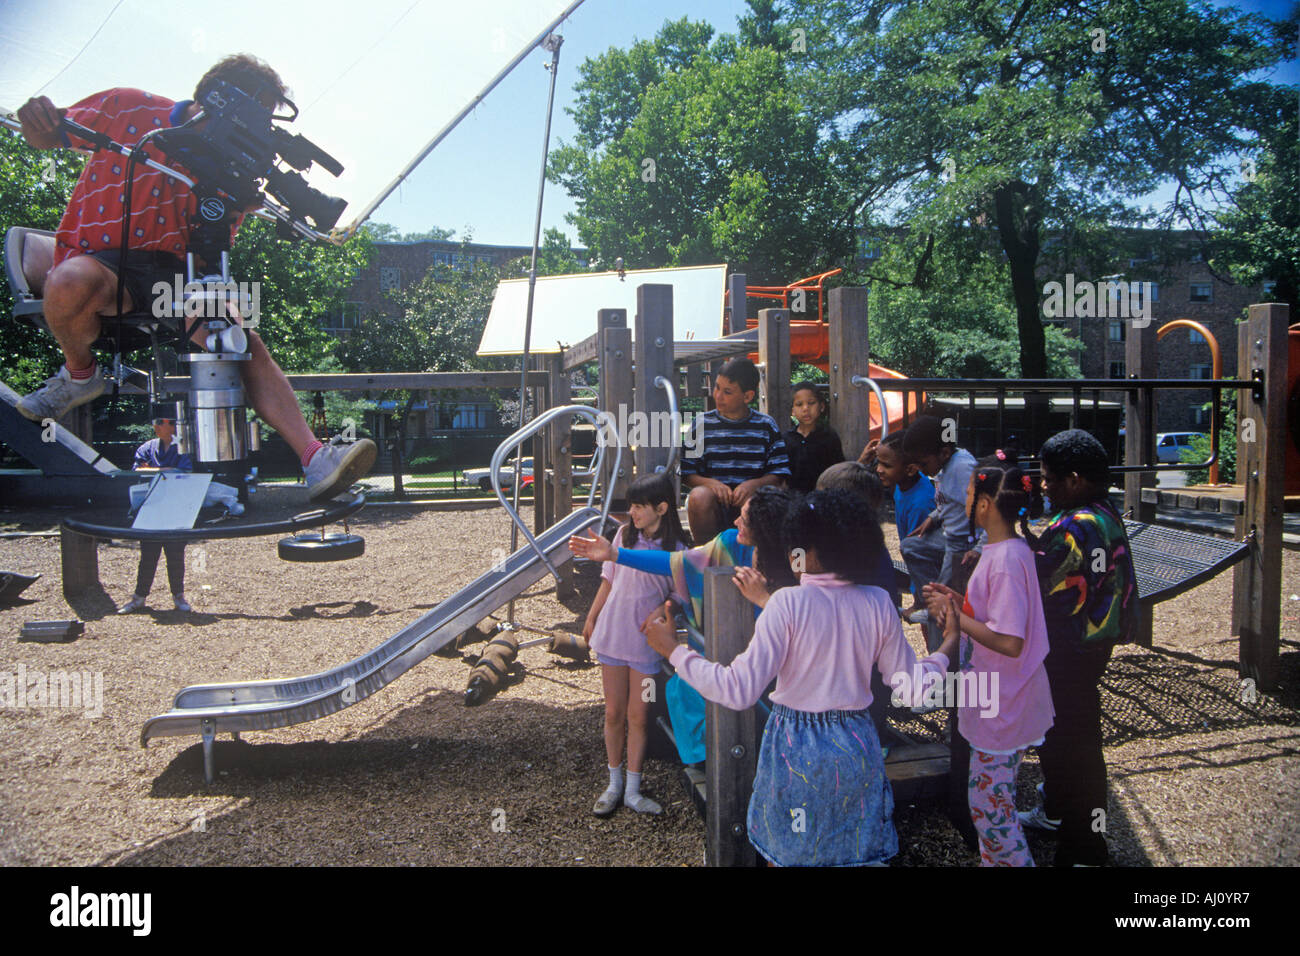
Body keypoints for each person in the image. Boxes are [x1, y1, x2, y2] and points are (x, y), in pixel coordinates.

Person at [12, 54, 375, 501]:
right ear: (216, 99)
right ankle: (79, 374)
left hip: (176, 276)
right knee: (69, 280)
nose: (258, 131)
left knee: (239, 338)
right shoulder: (129, 108)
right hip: (103, 263)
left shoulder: (238, 167)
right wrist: (37, 118)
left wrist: (247, 204)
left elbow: (214, 245)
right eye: (254, 116)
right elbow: (44, 135)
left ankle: (315, 458)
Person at [641, 490, 960, 866]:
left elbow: (736, 689)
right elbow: (910, 687)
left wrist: (674, 651)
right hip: (857, 748)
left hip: (795, 750)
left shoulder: (786, 604)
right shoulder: (877, 603)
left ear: (810, 553)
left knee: (794, 850)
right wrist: (949, 643)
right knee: (852, 850)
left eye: (795, 547)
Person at [571, 487, 796, 766]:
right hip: (734, 655)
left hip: (778, 667)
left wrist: (764, 599)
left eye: (745, 519)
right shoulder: (729, 543)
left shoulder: (796, 566)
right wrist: (616, 554)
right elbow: (677, 563)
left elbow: (799, 616)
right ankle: (708, 759)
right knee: (684, 690)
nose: (735, 521)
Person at [921, 452, 1054, 866]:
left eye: (968, 493)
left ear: (983, 504)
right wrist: (957, 603)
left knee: (991, 808)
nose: (963, 500)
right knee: (992, 801)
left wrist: (956, 617)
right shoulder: (1006, 551)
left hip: (1005, 698)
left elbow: (1011, 640)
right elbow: (998, 620)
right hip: (1000, 693)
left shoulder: (1007, 560)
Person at [1017, 429, 1136, 867]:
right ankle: (1055, 813)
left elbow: (1047, 589)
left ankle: (1085, 848)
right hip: (1091, 648)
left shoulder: (1076, 526)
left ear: (1073, 479)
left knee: (1074, 745)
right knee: (1060, 735)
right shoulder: (1102, 512)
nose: (1043, 486)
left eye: (1049, 479)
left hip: (1069, 652)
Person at [582, 474, 691, 817]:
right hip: (613, 637)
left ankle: (632, 787)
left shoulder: (678, 550)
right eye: (630, 505)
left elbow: (679, 597)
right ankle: (613, 784)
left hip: (645, 645)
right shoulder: (624, 535)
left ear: (661, 508)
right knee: (613, 712)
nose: (631, 512)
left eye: (638, 506)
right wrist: (591, 615)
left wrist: (663, 608)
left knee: (639, 716)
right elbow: (607, 581)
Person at [679, 358, 789, 542]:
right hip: (712, 505)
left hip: (752, 506)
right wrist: (711, 484)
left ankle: (755, 556)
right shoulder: (701, 424)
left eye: (727, 392)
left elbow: (779, 474)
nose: (718, 395)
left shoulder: (766, 425)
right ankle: (706, 555)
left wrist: (753, 485)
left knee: (760, 501)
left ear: (747, 396)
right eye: (717, 387)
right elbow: (687, 473)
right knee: (699, 496)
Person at [901, 416, 980, 645]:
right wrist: (933, 517)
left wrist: (980, 548)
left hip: (963, 543)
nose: (922, 471)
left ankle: (934, 607)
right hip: (947, 534)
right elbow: (949, 502)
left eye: (923, 464)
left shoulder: (962, 469)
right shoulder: (944, 467)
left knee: (941, 591)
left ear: (944, 453)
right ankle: (925, 601)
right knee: (911, 545)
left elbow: (987, 509)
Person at [119, 413, 194, 614]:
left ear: (173, 426)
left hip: (175, 509)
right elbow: (138, 470)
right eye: (156, 423)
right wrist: (166, 470)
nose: (157, 426)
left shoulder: (183, 447)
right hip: (151, 508)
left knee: (176, 555)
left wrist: (156, 469)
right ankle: (139, 597)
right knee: (148, 556)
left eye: (162, 422)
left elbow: (185, 472)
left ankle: (178, 596)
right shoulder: (147, 447)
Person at [783, 381, 844, 493]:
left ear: (821, 407)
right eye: (799, 404)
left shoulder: (829, 437)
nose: (805, 408)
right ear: (792, 411)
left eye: (811, 403)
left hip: (822, 498)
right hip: (792, 499)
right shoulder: (786, 439)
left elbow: (838, 470)